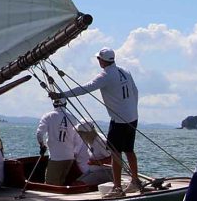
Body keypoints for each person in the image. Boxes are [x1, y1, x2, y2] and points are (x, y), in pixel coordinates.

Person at [50, 47, 139, 192]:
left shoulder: (105, 75)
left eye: (98, 59)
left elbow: (86, 88)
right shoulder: (125, 71)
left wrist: (61, 95)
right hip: (132, 117)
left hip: (119, 120)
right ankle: (135, 181)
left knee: (115, 153)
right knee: (129, 150)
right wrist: (132, 111)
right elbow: (135, 91)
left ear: (102, 60)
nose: (98, 61)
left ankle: (117, 188)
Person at [35, 95, 80, 186]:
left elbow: (39, 134)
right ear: (66, 104)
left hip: (56, 158)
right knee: (61, 182)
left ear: (53, 104)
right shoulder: (73, 118)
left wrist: (42, 145)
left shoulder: (48, 116)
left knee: (50, 185)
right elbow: (77, 139)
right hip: (70, 157)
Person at [73, 120, 116, 185]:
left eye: (81, 133)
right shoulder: (90, 140)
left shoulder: (100, 141)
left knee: (78, 184)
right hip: (93, 170)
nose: (80, 135)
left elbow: (113, 158)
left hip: (105, 171)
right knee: (74, 182)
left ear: (87, 133)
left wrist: (96, 162)